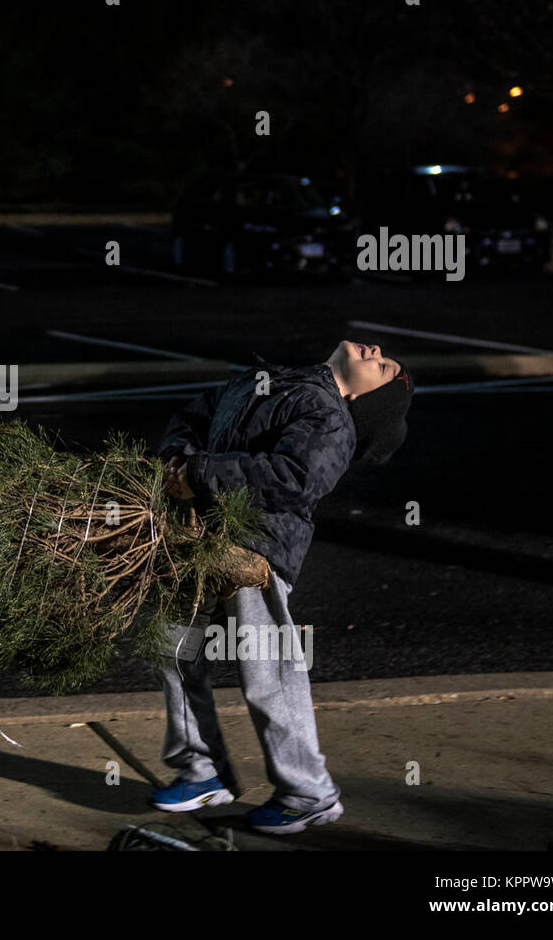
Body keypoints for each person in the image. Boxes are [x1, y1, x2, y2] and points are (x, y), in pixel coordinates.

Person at [150, 339, 412, 834]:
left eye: (382, 365)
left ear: (362, 399)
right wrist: (176, 459)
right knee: (174, 651)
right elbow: (197, 412)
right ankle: (201, 771)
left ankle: (308, 792)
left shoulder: (329, 415)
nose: (376, 349)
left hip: (257, 550)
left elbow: (294, 478)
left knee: (267, 673)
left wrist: (199, 473)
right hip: (197, 535)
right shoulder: (274, 379)